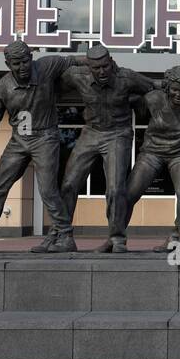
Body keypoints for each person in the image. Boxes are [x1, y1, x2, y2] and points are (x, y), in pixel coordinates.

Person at [0, 40, 77, 254]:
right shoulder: (3, 87)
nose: (22, 67)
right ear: (7, 64)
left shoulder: (46, 67)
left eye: (25, 61)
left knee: (48, 190)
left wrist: (100, 60)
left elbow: (74, 60)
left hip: (45, 137)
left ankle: (65, 235)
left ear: (31, 58)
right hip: (19, 141)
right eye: (16, 63)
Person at [58, 46, 155, 253]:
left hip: (118, 134)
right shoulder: (76, 75)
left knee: (115, 188)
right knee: (69, 184)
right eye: (96, 68)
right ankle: (62, 236)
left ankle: (116, 238)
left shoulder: (127, 78)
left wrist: (138, 104)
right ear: (88, 66)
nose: (102, 72)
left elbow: (152, 88)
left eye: (105, 66)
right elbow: (52, 78)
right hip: (90, 132)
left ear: (111, 61)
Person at [121, 66, 180, 253]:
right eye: (175, 89)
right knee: (129, 194)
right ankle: (116, 238)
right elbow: (139, 109)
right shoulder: (152, 99)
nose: (179, 94)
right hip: (152, 152)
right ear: (167, 87)